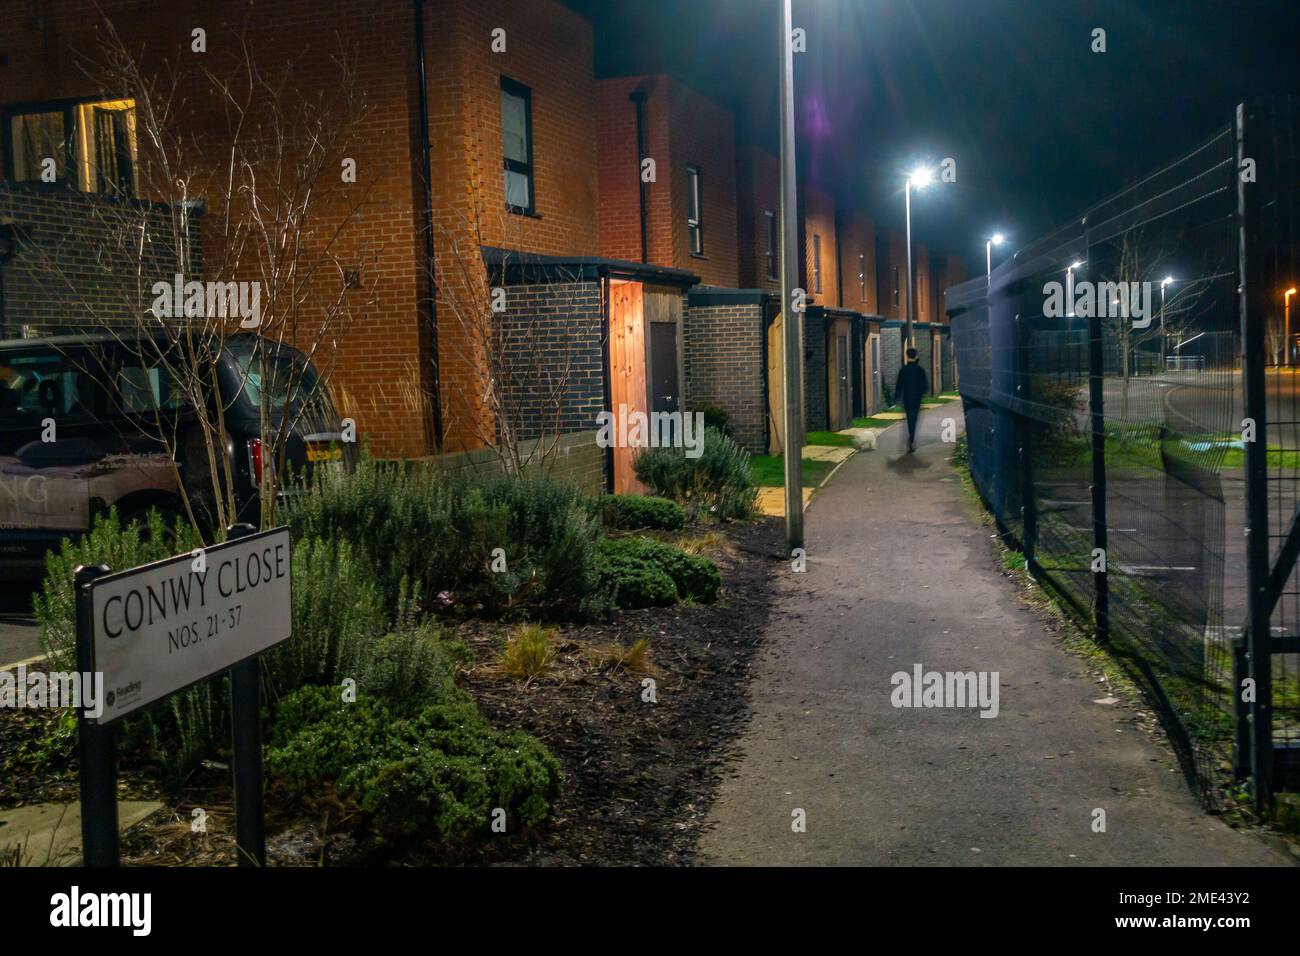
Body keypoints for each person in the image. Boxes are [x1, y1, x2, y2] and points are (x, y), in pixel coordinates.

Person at [892, 346, 929, 453]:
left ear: (907, 356)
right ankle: (912, 439)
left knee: (909, 420)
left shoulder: (903, 370)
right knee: (914, 420)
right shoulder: (920, 371)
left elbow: (899, 386)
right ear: (916, 356)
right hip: (917, 399)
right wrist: (920, 394)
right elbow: (925, 386)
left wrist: (896, 399)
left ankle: (911, 438)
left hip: (907, 399)